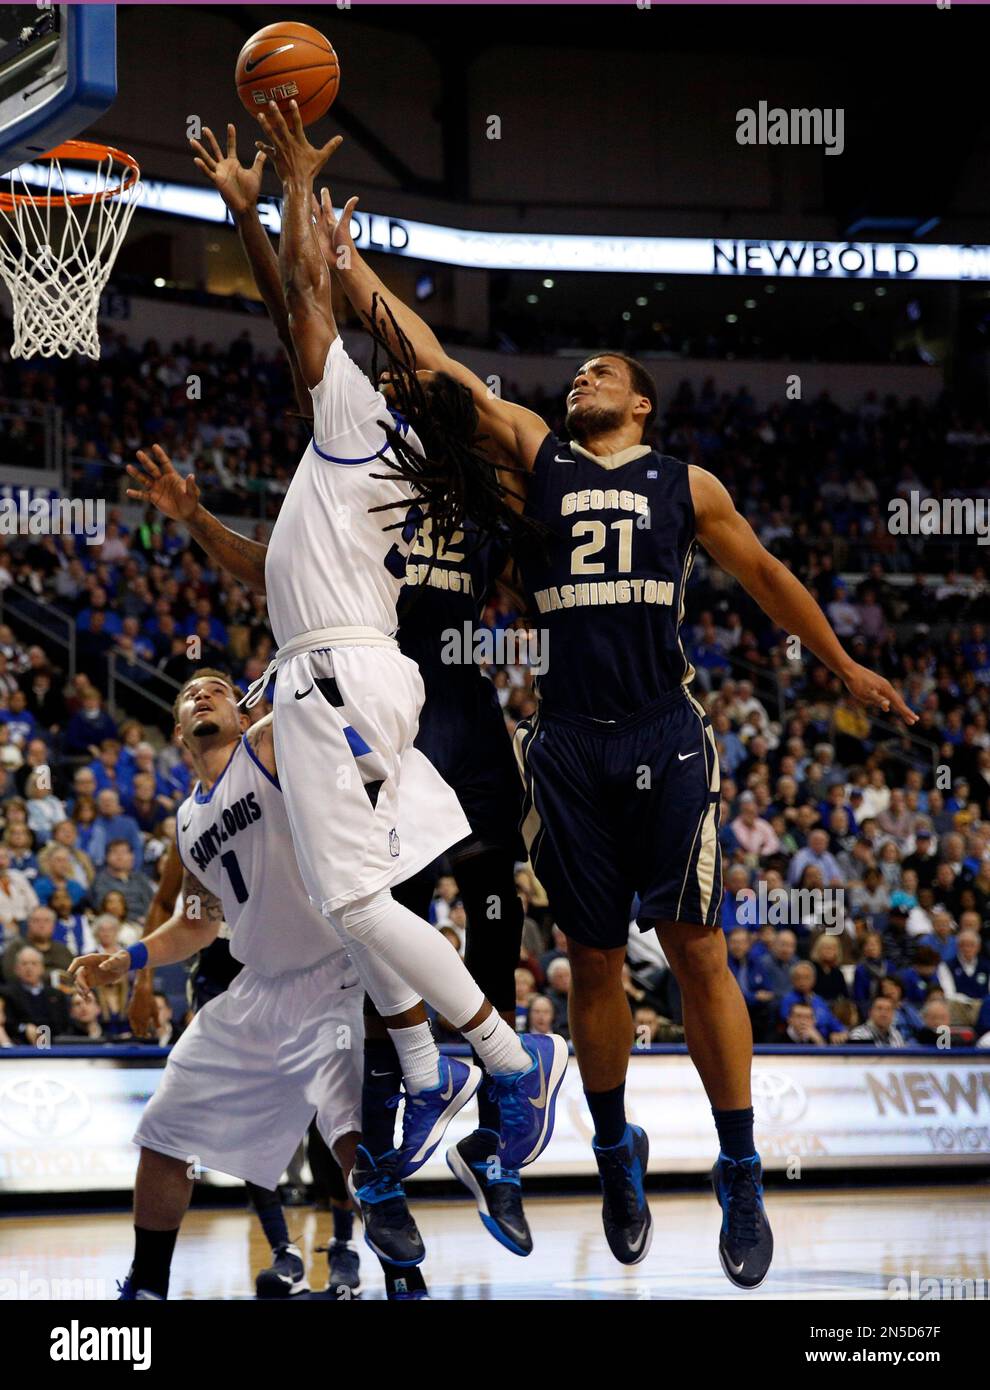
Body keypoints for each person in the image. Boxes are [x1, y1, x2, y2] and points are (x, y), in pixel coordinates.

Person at [326, 144, 916, 1285]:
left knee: (698, 946)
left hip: (664, 729)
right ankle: (612, 1151)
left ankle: (739, 1168)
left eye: (602, 371)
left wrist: (843, 664)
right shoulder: (534, 456)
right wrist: (347, 259)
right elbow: (429, 360)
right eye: (578, 372)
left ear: (641, 401)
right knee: (592, 960)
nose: (581, 379)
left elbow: (767, 578)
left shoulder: (686, 484)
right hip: (566, 743)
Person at [69, 671, 450, 1302]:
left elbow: (314, 693)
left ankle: (405, 1282)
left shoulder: (268, 744)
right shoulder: (188, 820)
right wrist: (128, 959)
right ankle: (148, 1287)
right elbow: (197, 923)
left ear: (244, 714)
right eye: (190, 693)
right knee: (163, 1131)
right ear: (178, 731)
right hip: (258, 986)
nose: (203, 694)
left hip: (336, 971)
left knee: (352, 1137)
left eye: (219, 688)